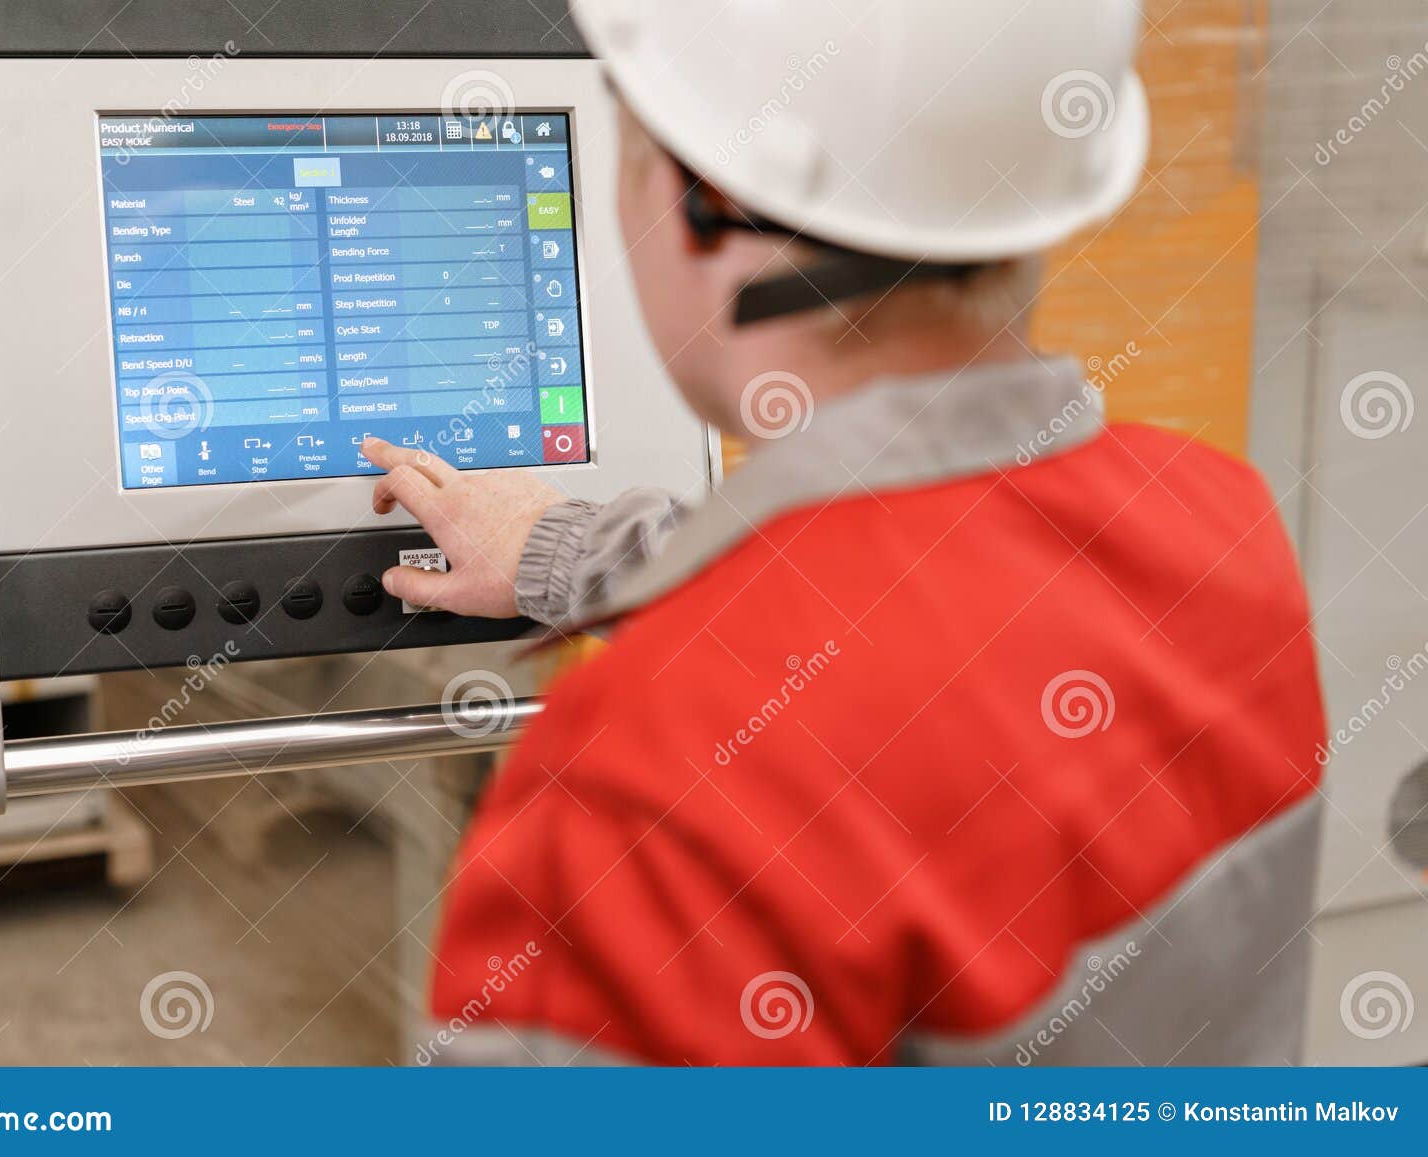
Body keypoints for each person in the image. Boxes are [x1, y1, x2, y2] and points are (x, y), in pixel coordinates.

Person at [366, 0, 1327, 1065]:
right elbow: (920, 594)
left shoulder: (643, 788)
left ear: (708, 200)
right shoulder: (1220, 526)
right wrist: (564, 547)